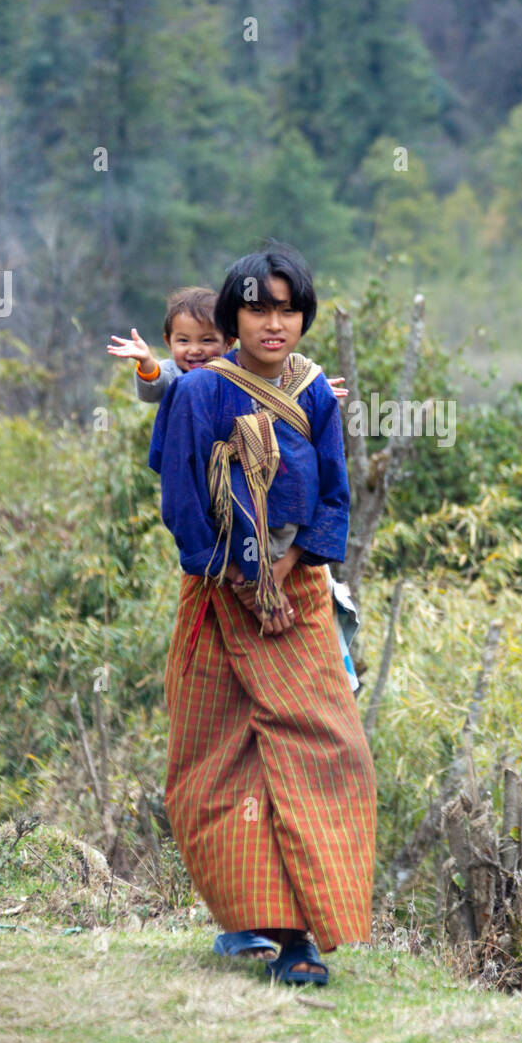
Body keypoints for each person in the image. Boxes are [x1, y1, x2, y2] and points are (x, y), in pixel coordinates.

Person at [148, 242, 377, 986]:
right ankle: (275, 933)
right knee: (218, 764)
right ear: (233, 316)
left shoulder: (312, 392)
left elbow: (334, 494)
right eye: (256, 308)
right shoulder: (199, 394)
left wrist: (287, 565)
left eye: (286, 309)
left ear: (303, 316)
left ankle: (309, 926)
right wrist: (244, 575)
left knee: (330, 753)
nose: (272, 323)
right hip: (220, 597)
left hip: (298, 595)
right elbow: (183, 503)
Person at [106, 285, 349, 406]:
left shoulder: (239, 371)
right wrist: (147, 363)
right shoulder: (174, 374)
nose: (194, 350)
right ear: (168, 341)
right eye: (183, 341)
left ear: (229, 341)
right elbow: (154, 391)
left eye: (207, 340)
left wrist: (309, 389)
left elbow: (272, 389)